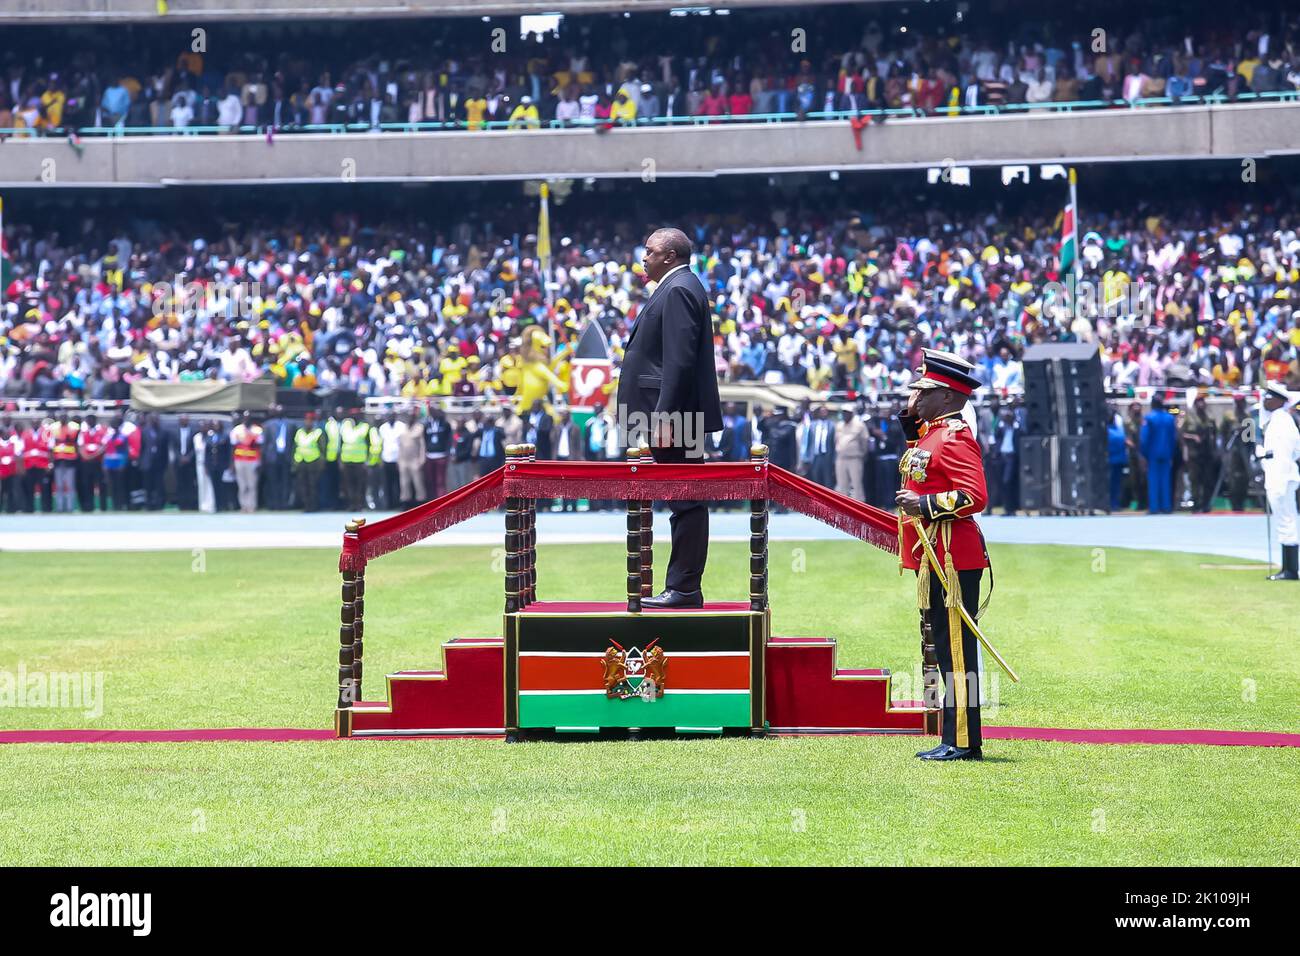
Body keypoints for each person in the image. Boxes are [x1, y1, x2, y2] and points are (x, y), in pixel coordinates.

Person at [615, 226, 722, 609]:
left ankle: (684, 588)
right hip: (679, 414)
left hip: (677, 417)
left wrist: (662, 417)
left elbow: (679, 360)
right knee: (683, 500)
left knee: (686, 500)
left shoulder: (678, 289)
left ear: (670, 256)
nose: (643, 257)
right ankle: (682, 586)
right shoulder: (680, 286)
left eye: (649, 251)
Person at [894, 349, 989, 762]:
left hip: (952, 557)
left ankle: (963, 740)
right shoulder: (934, 433)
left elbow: (975, 495)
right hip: (934, 555)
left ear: (948, 398)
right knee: (948, 650)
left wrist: (926, 505)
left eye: (925, 391)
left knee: (956, 649)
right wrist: (909, 415)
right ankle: (954, 736)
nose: (917, 396)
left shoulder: (953, 437)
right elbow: (919, 458)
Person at [1259, 382, 1300, 581]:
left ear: (1278, 401)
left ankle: (1290, 570)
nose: (1265, 400)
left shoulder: (1282, 421)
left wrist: (1280, 482)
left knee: (1286, 521)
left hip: (1281, 477)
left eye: (1268, 397)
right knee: (1285, 520)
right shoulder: (1277, 419)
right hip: (1279, 475)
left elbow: (1284, 454)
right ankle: (1288, 568)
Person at [1181, 392, 1218, 513]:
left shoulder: (1210, 417)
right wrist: (1193, 437)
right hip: (1194, 454)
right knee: (1195, 481)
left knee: (1207, 480)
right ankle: (1196, 505)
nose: (1201, 404)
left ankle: (1206, 504)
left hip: (1207, 453)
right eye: (1198, 402)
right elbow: (1181, 434)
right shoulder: (1188, 417)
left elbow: (1215, 434)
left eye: (1202, 401)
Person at [1140, 395, 1177, 514]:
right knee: (1166, 480)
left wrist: (1144, 454)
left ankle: (1154, 507)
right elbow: (1173, 438)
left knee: (1154, 480)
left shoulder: (1149, 418)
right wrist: (1172, 453)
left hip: (1152, 453)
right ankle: (1166, 506)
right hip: (1166, 452)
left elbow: (1144, 439)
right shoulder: (1170, 418)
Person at [230, 412, 264, 513]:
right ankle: (243, 506)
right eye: (245, 418)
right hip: (239, 460)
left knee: (252, 484)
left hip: (252, 460)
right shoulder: (237, 430)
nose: (246, 420)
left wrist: (260, 461)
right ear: (242, 419)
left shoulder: (257, 430)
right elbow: (232, 447)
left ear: (251, 419)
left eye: (248, 418)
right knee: (242, 485)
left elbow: (260, 447)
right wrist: (232, 463)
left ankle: (252, 506)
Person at [260, 405, 293, 510]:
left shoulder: (291, 424)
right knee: (272, 481)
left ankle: (284, 503)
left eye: (281, 411)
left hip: (286, 456)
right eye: (278, 411)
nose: (280, 413)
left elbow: (293, 442)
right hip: (272, 457)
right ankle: (274, 503)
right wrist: (263, 458)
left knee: (285, 481)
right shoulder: (268, 425)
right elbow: (264, 443)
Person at [292, 410, 326, 512]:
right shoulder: (299, 432)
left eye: (310, 420)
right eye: (307, 420)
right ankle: (306, 506)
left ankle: (314, 506)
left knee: (313, 486)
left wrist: (321, 463)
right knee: (303, 485)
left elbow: (322, 449)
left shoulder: (318, 432)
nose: (308, 422)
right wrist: (295, 462)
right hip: (301, 462)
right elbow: (295, 447)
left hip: (313, 462)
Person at [834, 406, 869, 501]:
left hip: (855, 458)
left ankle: (859, 509)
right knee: (842, 485)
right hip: (841, 458)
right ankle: (844, 509)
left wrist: (862, 453)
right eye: (844, 412)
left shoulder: (859, 425)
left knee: (856, 485)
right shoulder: (839, 425)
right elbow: (836, 440)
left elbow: (865, 441)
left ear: (852, 413)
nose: (845, 414)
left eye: (847, 412)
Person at [20, 417, 52, 513]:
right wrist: (22, 467)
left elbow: (50, 449)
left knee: (44, 488)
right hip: (29, 466)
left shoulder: (46, 433)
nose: (35, 424)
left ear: (39, 424)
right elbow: (20, 452)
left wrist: (50, 464)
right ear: (30, 424)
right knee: (29, 488)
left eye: (37, 423)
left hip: (42, 466)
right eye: (33, 423)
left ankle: (46, 508)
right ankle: (29, 508)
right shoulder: (25, 434)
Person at [398, 409, 427, 507]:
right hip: (403, 460)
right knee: (404, 483)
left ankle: (421, 502)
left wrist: (422, 459)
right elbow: (400, 445)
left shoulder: (419, 428)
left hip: (415, 459)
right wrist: (399, 460)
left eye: (411, 416)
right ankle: (405, 502)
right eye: (407, 416)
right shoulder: (402, 428)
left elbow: (423, 445)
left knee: (418, 482)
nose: (409, 418)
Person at [1107, 411, 1128, 512]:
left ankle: (1114, 504)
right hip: (1114, 460)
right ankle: (1113, 504)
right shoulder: (1117, 430)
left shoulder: (1115, 430)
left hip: (1115, 460)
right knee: (1114, 484)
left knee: (1115, 484)